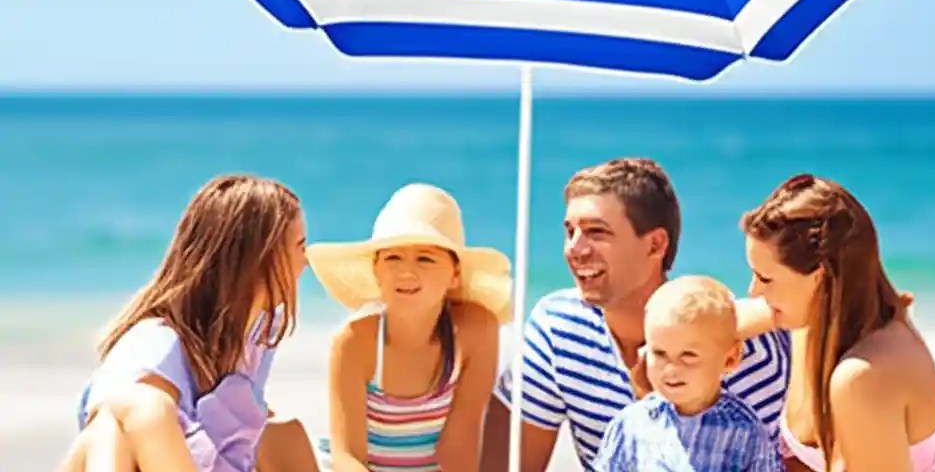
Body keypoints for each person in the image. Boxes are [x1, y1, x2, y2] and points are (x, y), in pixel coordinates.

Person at [480, 158, 790, 472]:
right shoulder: (558, 328)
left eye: (596, 232)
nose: (574, 249)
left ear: (655, 244)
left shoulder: (754, 355)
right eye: (570, 231)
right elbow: (505, 465)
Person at [59, 174, 317, 472]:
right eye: (299, 246)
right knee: (141, 411)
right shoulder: (154, 342)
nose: (306, 261)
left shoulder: (257, 335)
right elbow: (109, 434)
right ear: (259, 258)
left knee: (285, 435)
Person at [741, 173, 935, 472]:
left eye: (766, 278)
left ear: (819, 279)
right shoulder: (819, 317)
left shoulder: (862, 379)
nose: (754, 290)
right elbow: (717, 319)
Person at [307, 183, 510, 472]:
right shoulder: (354, 341)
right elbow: (347, 457)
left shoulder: (476, 330)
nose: (406, 272)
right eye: (392, 257)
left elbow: (460, 447)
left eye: (425, 258)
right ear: (376, 270)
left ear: (455, 274)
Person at [592, 275, 783, 472]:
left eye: (688, 355)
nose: (671, 368)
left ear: (730, 360)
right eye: (659, 353)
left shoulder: (745, 432)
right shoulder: (631, 425)